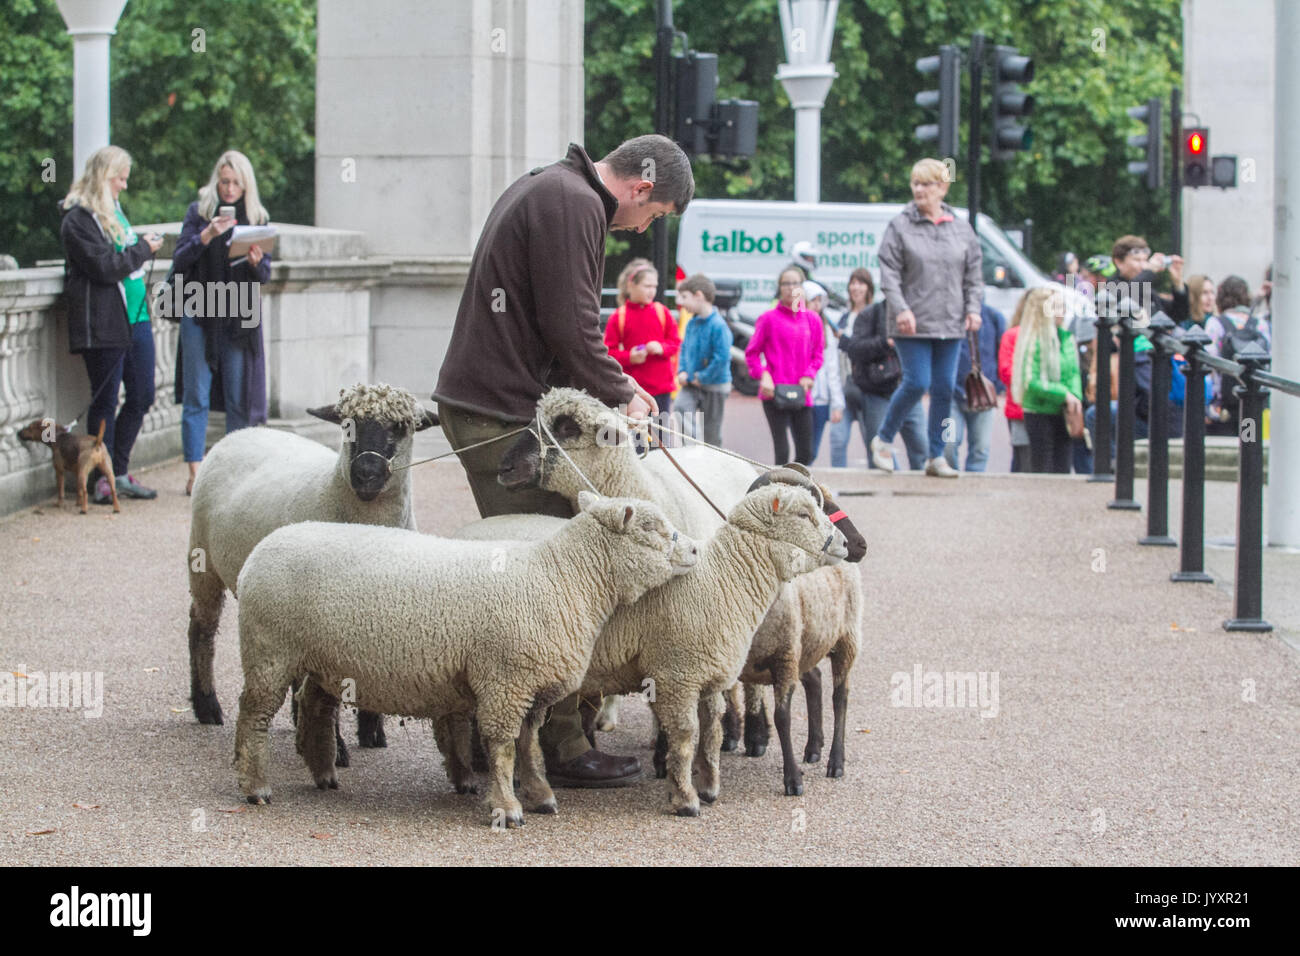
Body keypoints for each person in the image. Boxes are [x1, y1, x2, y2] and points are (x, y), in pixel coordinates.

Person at [432, 134, 693, 788]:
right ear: (638, 188)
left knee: (550, 561)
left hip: (493, 405)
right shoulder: (574, 203)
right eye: (653, 215)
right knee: (559, 570)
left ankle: (505, 738)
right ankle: (560, 748)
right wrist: (626, 393)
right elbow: (572, 329)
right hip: (499, 413)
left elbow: (564, 327)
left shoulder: (553, 186)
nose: (642, 228)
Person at [59, 145, 164, 504]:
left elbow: (121, 261)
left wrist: (141, 248)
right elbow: (104, 267)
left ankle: (117, 469)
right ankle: (103, 479)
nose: (124, 185)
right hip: (104, 322)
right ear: (103, 177)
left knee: (143, 395)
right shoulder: (77, 219)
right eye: (120, 178)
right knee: (105, 399)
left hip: (136, 316)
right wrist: (144, 250)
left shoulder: (114, 212)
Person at [869, 158, 983, 478]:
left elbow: (974, 275)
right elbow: (888, 274)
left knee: (945, 388)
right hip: (912, 321)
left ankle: (937, 455)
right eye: (915, 184)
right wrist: (901, 308)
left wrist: (973, 308)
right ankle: (884, 439)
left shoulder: (961, 228)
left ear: (943, 188)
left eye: (927, 184)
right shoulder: (900, 226)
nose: (919, 190)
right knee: (918, 382)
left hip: (950, 322)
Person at [171, 150, 273, 495]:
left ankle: (233, 472)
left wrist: (257, 261)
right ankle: (195, 473)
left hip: (240, 314)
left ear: (246, 186)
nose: (229, 189)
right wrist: (206, 235)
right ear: (217, 181)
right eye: (224, 181)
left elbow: (265, 276)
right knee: (196, 394)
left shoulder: (257, 217)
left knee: (238, 397)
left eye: (236, 183)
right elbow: (180, 258)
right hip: (200, 309)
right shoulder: (199, 214)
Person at [837, 267, 927, 470]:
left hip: (909, 391)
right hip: (878, 393)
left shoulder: (919, 315)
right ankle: (880, 500)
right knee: (878, 457)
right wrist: (885, 343)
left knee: (921, 449)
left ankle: (919, 497)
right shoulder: (870, 314)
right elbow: (855, 349)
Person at [745, 266, 823, 465]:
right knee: (782, 452)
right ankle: (779, 492)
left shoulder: (812, 319)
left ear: (802, 288)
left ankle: (796, 489)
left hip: (801, 391)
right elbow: (752, 353)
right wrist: (763, 375)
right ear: (779, 288)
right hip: (774, 393)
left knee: (806, 452)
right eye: (786, 283)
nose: (790, 288)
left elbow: (818, 355)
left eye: (795, 283)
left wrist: (810, 374)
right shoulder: (768, 318)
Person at [1011, 286, 1082, 474]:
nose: (1064, 312)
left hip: (1064, 411)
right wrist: (1064, 394)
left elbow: (1074, 372)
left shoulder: (1066, 338)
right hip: (1039, 411)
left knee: (1063, 467)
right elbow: (1030, 381)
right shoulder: (1032, 341)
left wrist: (1074, 396)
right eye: (1058, 307)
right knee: (1042, 467)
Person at [604, 258, 680, 419]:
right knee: (635, 438)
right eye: (647, 286)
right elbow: (608, 353)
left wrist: (661, 348)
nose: (652, 291)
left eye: (654, 286)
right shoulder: (618, 317)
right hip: (634, 391)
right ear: (631, 285)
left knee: (661, 436)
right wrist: (629, 357)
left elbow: (675, 343)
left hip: (662, 389)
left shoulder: (662, 312)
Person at [945, 298, 1006, 472]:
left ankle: (974, 488)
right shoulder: (948, 316)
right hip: (951, 396)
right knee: (947, 444)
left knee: (981, 448)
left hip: (983, 394)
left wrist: (997, 384)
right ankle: (949, 484)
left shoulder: (994, 317)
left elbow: (1001, 350)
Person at [674, 272, 732, 447]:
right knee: (681, 406)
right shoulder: (691, 323)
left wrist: (702, 377)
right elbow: (684, 349)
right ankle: (691, 453)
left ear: (699, 295)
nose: (681, 302)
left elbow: (721, 358)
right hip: (692, 382)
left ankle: (712, 459)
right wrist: (683, 371)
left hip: (713, 385)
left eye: (685, 297)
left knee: (711, 430)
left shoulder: (719, 326)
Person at [802, 281, 844, 462]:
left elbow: (832, 368)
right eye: (813, 300)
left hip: (821, 398)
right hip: (801, 395)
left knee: (812, 450)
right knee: (801, 446)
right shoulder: (797, 326)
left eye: (820, 301)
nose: (817, 305)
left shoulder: (826, 328)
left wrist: (837, 403)